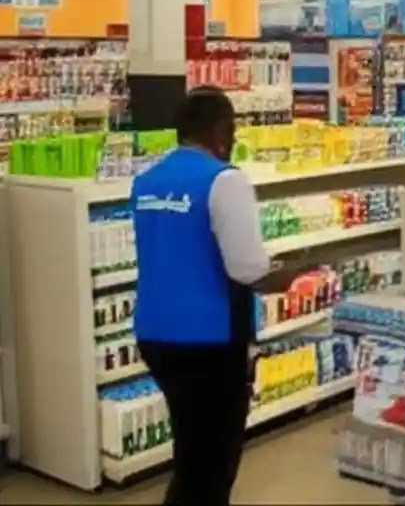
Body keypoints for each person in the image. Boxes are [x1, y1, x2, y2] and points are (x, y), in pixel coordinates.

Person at [132, 87, 299, 504]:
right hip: (209, 339)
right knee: (211, 466)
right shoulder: (224, 180)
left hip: (155, 333)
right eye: (233, 131)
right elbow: (247, 268)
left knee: (191, 454)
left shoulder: (146, 181)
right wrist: (285, 274)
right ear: (222, 131)